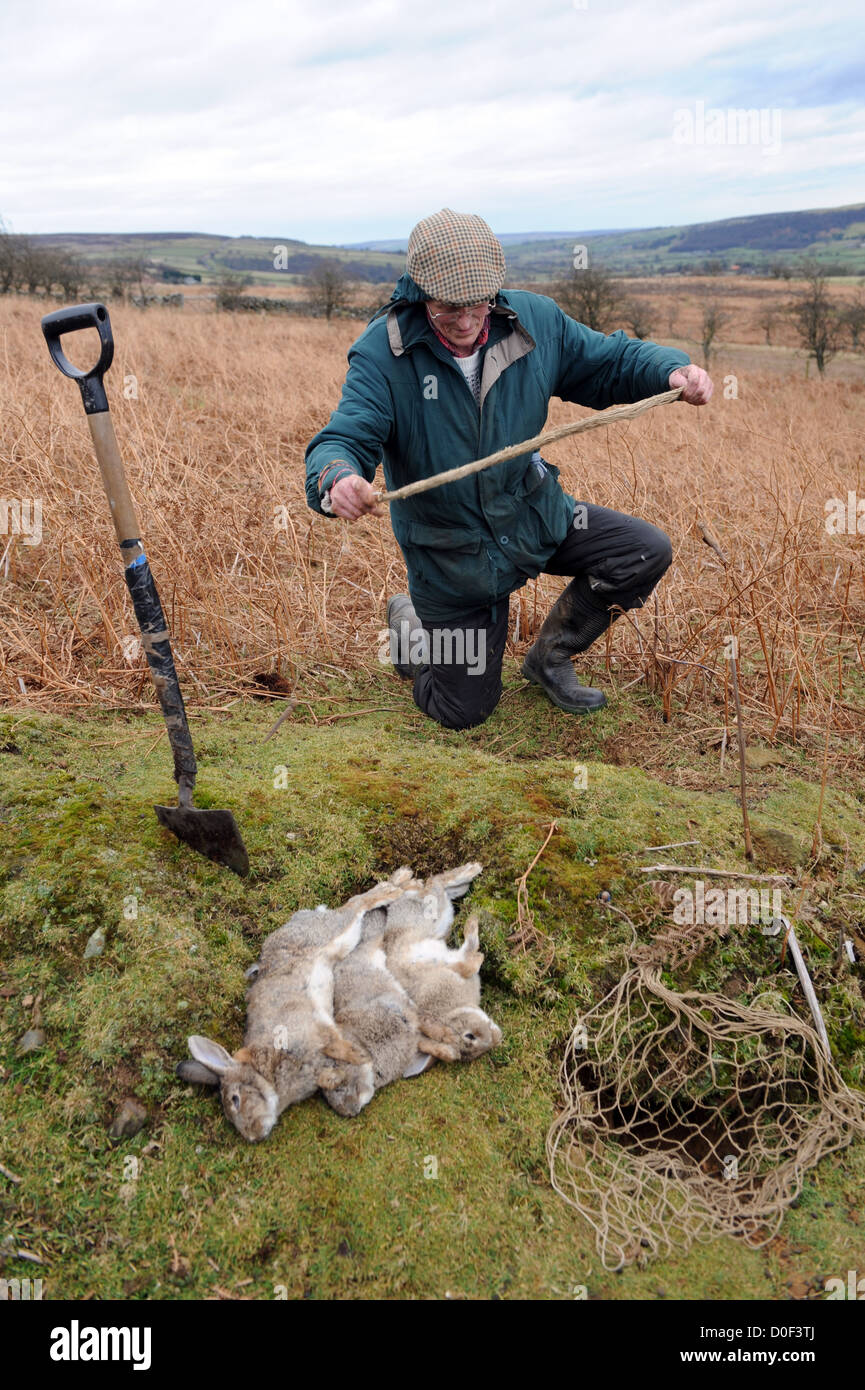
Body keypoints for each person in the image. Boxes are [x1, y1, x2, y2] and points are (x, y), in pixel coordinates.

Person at [305, 208, 712, 730]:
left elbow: (607, 362)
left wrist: (668, 369)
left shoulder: (535, 321)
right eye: (449, 306)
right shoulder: (383, 355)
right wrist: (337, 477)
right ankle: (412, 632)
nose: (468, 320)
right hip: (452, 558)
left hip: (532, 515)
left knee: (642, 550)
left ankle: (550, 658)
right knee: (464, 711)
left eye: (478, 302)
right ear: (419, 293)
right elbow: (344, 436)